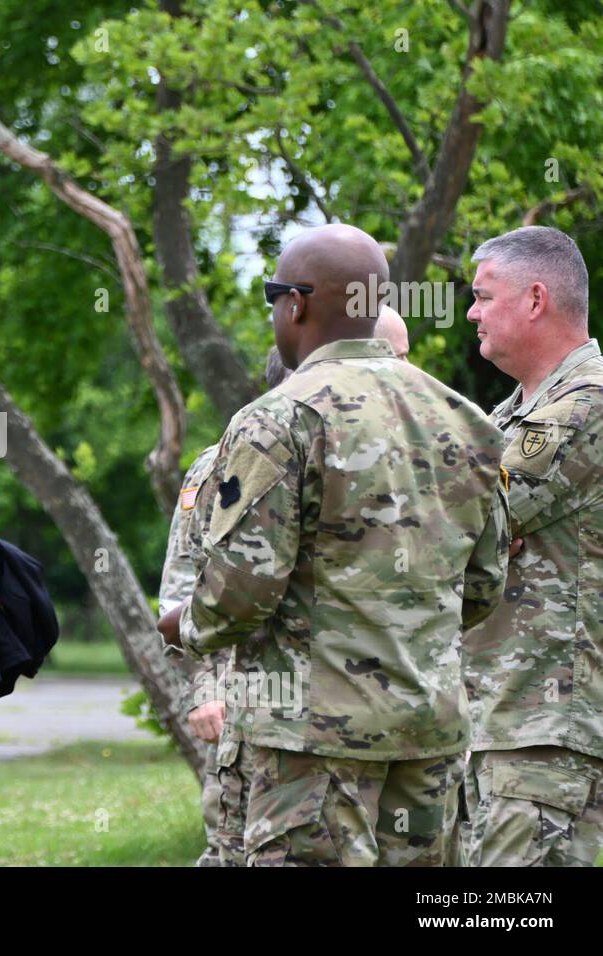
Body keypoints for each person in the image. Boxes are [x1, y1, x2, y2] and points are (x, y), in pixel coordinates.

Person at [162, 223, 509, 866]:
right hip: (428, 736)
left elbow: (242, 591)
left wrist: (185, 624)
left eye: (274, 296)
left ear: (296, 303)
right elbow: (485, 586)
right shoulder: (469, 420)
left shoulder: (279, 417)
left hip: (312, 743)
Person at [462, 225, 603, 866]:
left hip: (548, 726)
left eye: (483, 296)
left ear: (535, 298)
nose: (470, 312)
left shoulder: (586, 406)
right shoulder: (510, 414)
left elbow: (468, 517)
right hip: (502, 718)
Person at [158, 346, 290, 867]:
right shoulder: (223, 464)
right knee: (235, 848)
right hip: (246, 704)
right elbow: (182, 590)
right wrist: (205, 689)